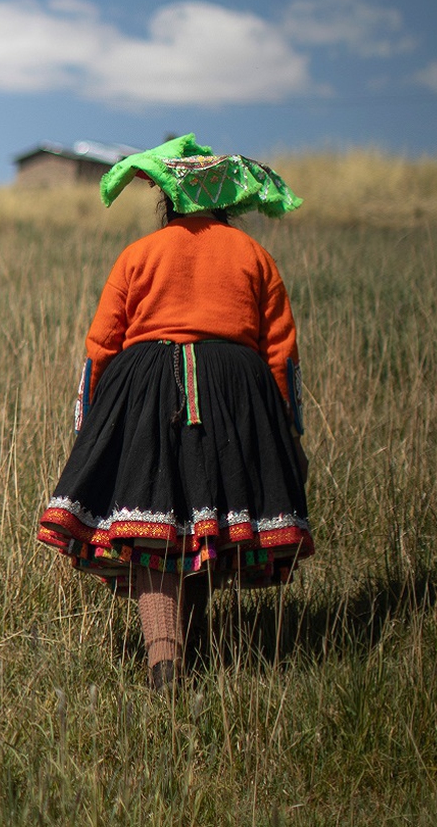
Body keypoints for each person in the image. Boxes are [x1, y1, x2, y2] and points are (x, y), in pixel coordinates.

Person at [37, 135, 312, 689]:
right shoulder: (254, 256)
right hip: (235, 392)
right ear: (224, 201)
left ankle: (165, 659)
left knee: (153, 524)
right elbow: (281, 350)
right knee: (209, 517)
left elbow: (101, 345)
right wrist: (285, 427)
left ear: (168, 199)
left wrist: (92, 424)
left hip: (147, 389)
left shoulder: (139, 254)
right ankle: (191, 641)